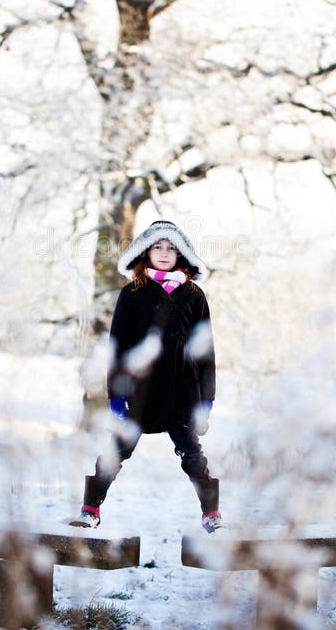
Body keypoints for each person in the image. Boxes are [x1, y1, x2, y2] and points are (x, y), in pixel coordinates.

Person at [71, 220, 224, 533]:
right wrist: (115, 393)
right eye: (158, 247)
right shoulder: (132, 293)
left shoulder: (194, 296)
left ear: (181, 253)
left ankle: (211, 514)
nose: (165, 253)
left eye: (171, 248)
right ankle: (90, 509)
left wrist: (206, 399)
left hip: (183, 392)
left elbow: (205, 352)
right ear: (146, 251)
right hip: (138, 393)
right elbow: (117, 346)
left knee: (193, 456)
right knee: (116, 451)